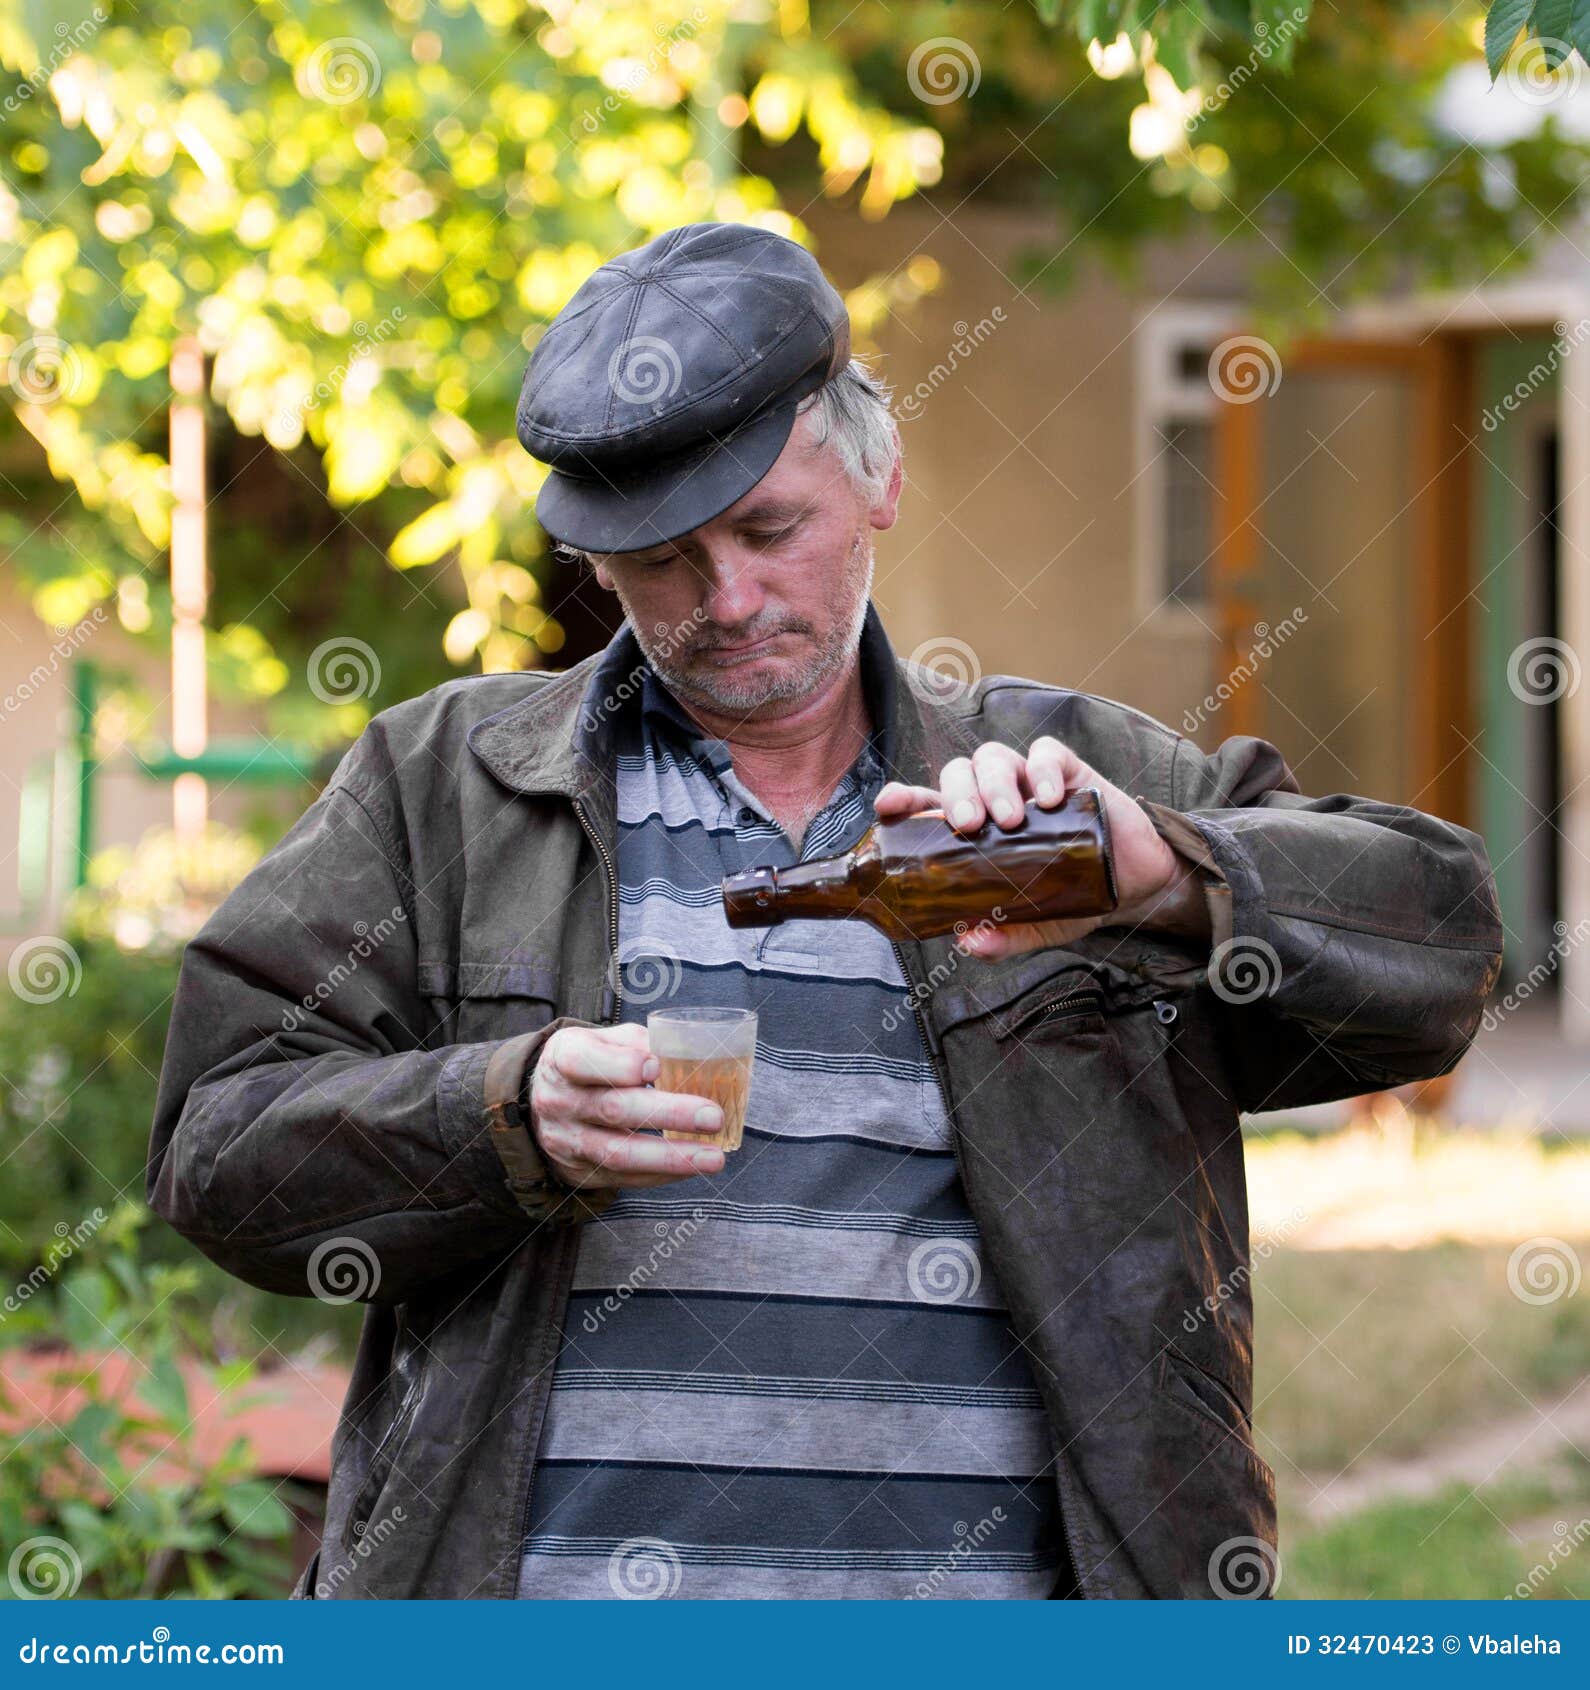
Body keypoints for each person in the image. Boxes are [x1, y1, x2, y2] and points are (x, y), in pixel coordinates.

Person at [148, 222, 1503, 1600]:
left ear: (877, 480)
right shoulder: (444, 788)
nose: (725, 599)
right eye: (665, 558)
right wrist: (499, 1112)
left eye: (767, 529)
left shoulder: (1068, 783)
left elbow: (1443, 949)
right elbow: (216, 1148)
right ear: (599, 561)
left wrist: (1159, 875)